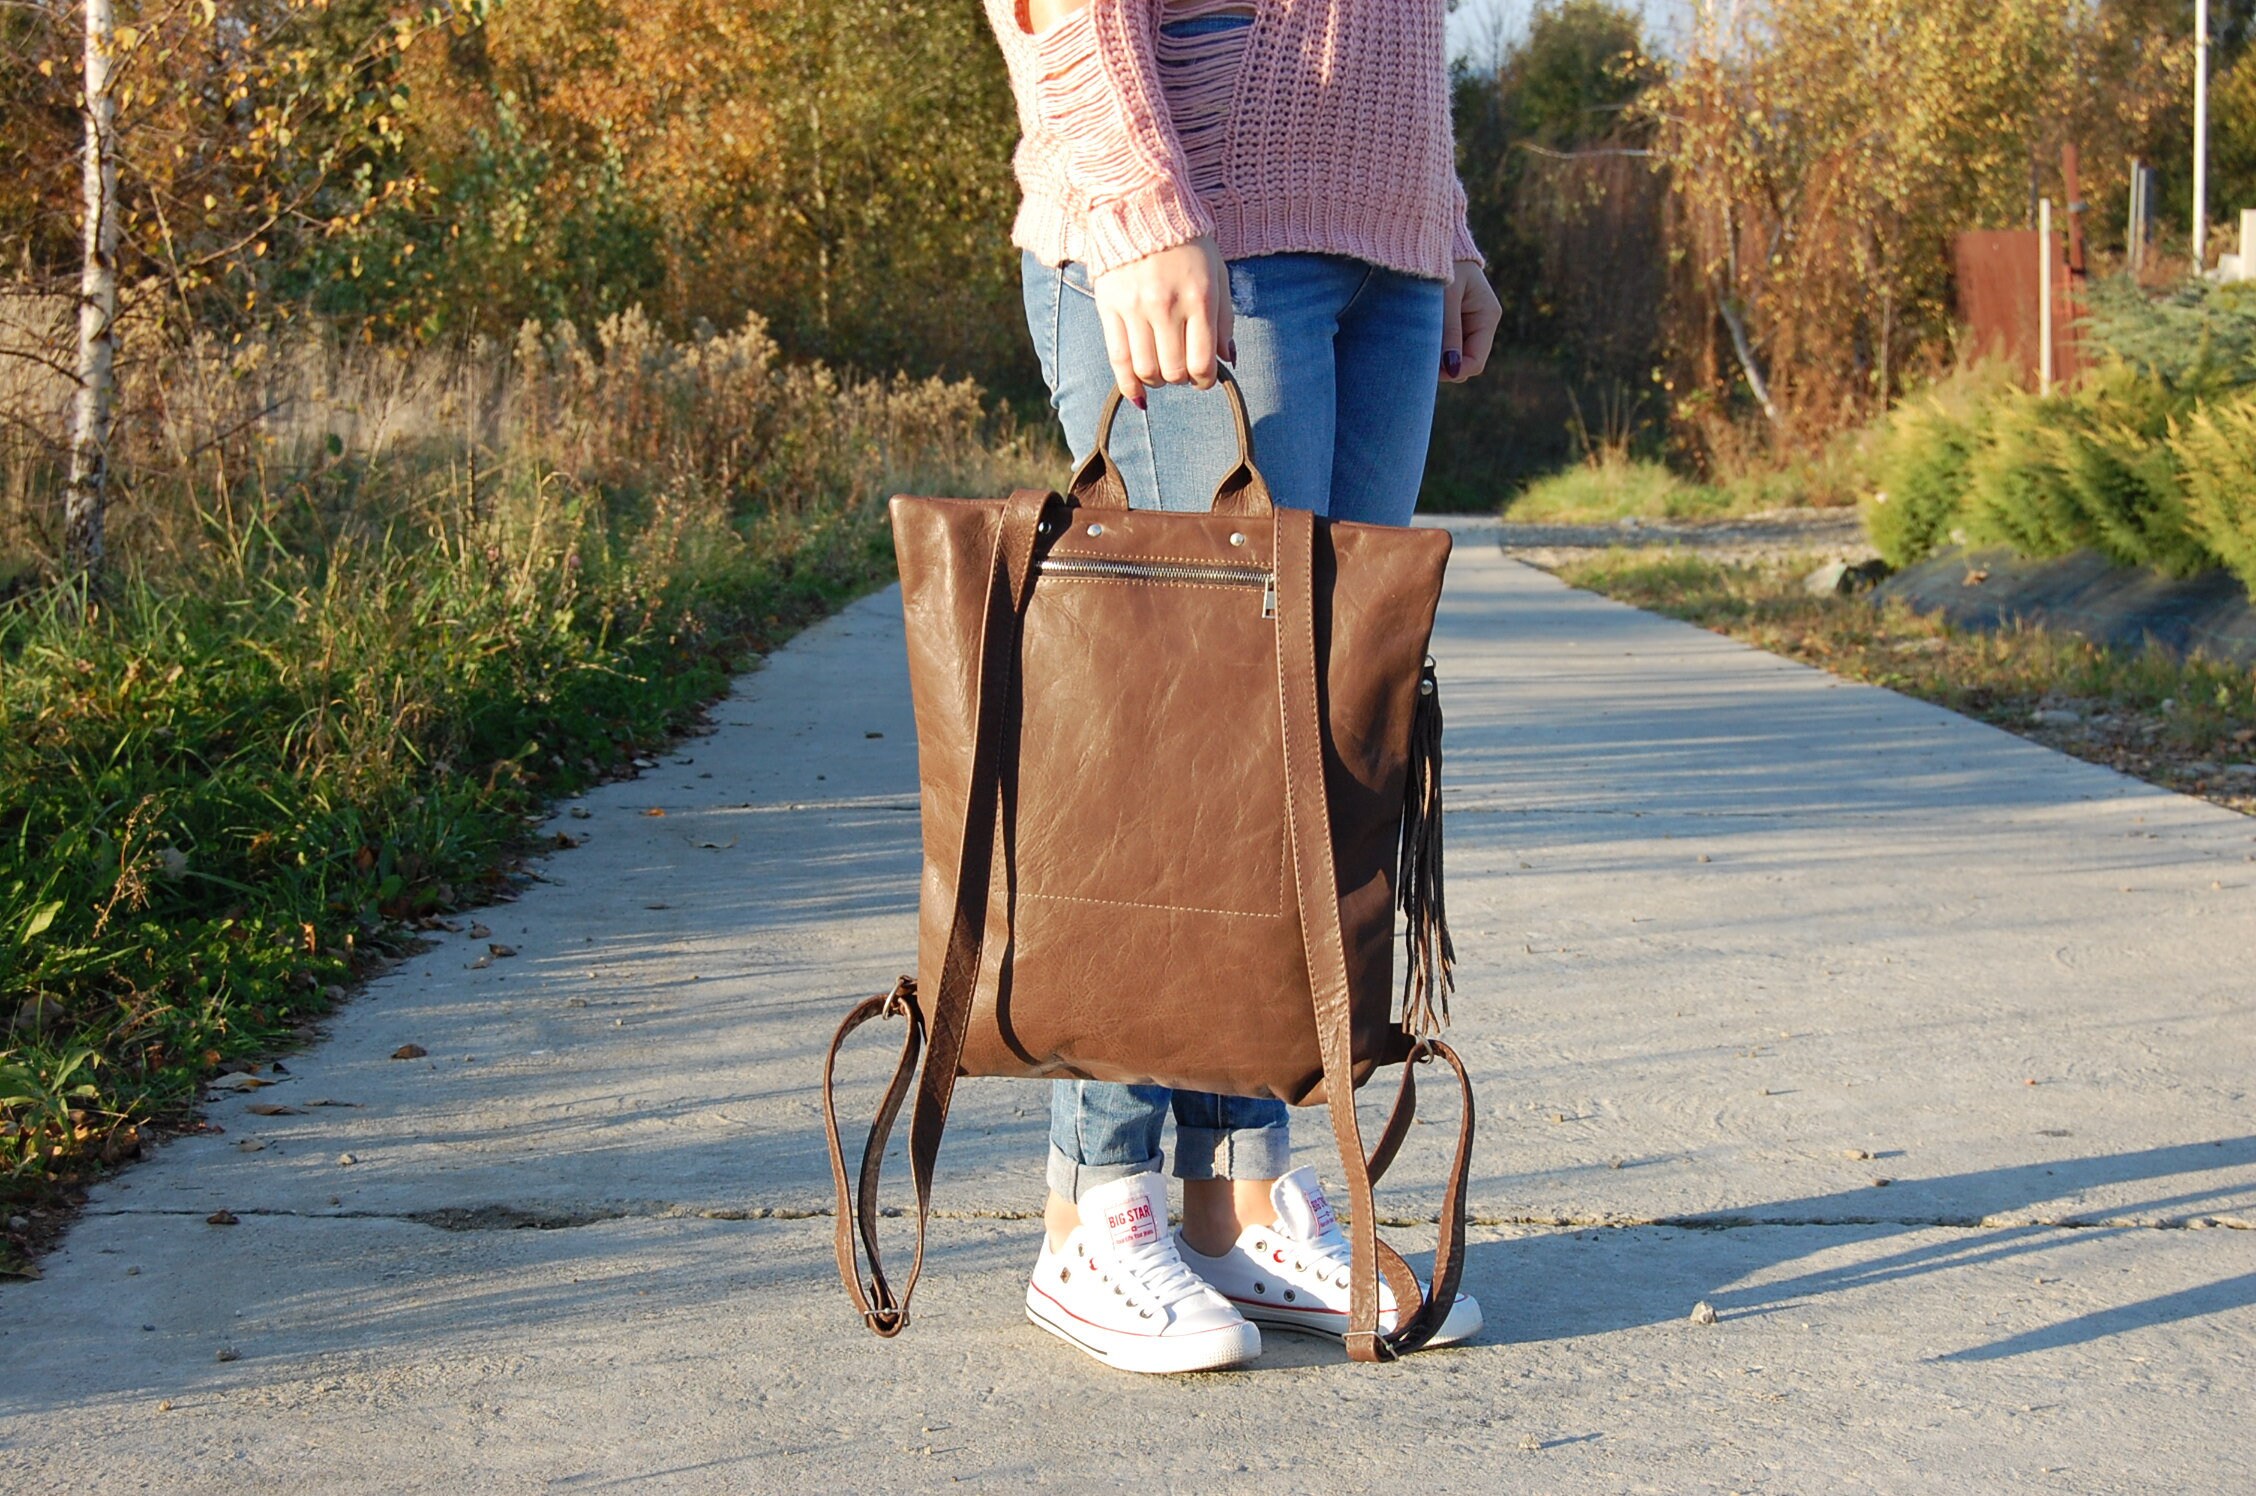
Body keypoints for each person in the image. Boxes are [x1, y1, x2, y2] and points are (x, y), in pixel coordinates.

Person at [984, 0, 1502, 1374]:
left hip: (1378, 245)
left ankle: (1240, 1191)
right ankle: (1095, 1207)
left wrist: (1439, 222)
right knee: (1192, 739)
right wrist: (1143, 205)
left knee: (1326, 745)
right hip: (1206, 221)